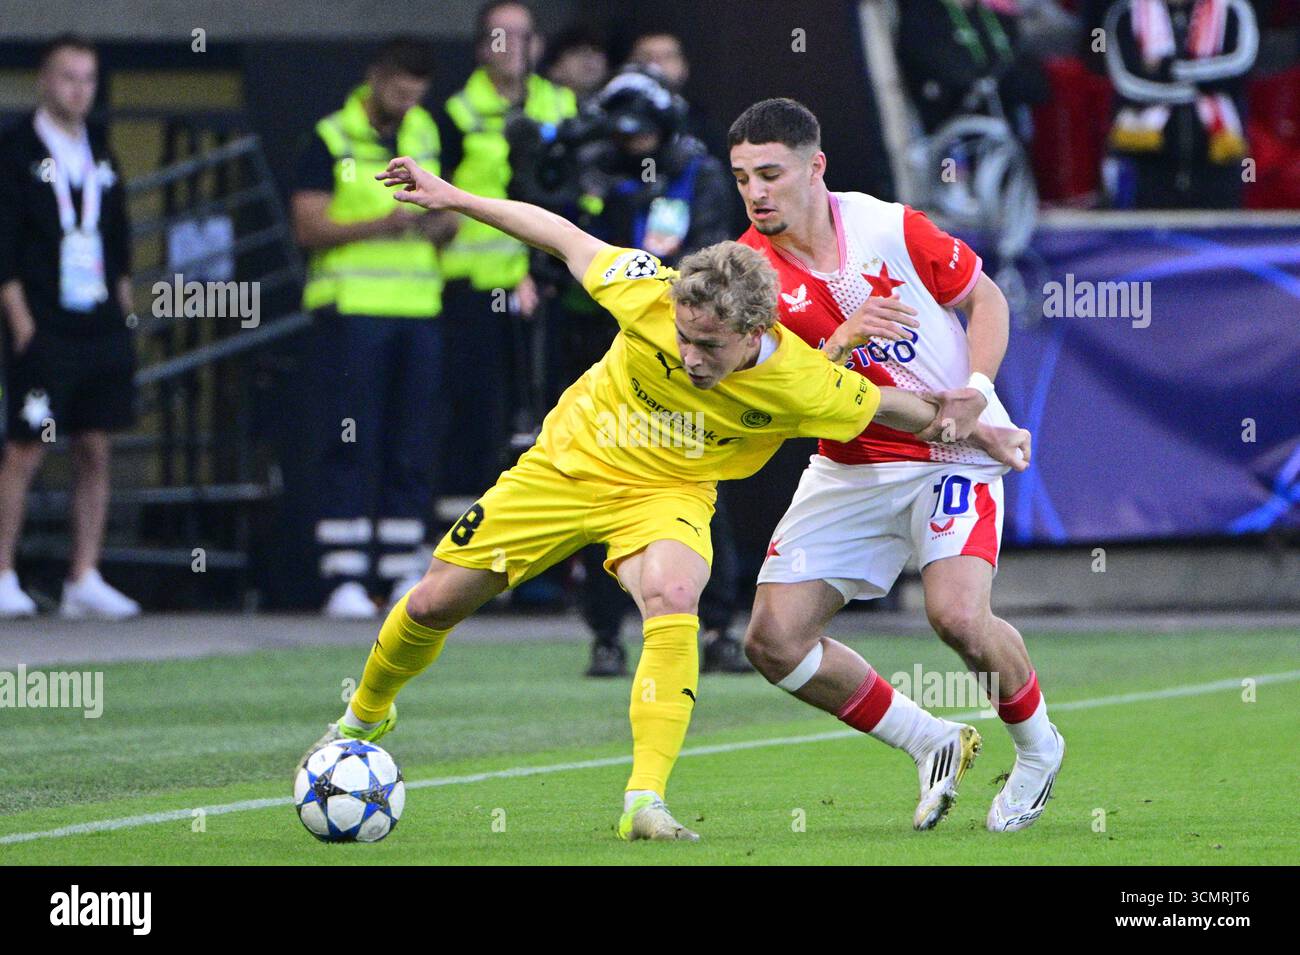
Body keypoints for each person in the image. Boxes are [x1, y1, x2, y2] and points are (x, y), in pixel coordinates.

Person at [302, 152, 1031, 842]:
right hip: (565, 466)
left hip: (669, 492)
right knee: (432, 603)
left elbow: (897, 407)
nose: (689, 356)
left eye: (709, 348)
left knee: (674, 592)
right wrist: (455, 196)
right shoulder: (645, 290)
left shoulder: (804, 378)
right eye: (683, 337)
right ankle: (363, 718)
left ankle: (644, 799)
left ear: (755, 333)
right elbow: (558, 233)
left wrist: (981, 428)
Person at [730, 98, 1063, 833]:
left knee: (956, 616)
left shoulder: (889, 226)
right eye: (743, 177)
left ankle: (1038, 749)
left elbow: (987, 299)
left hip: (953, 448)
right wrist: (836, 348)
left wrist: (976, 394)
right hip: (850, 464)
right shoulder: (749, 273)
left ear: (815, 167)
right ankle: (930, 738)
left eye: (771, 173)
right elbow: (779, 397)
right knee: (772, 640)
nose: (756, 192)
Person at [292, 39, 457, 619]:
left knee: (411, 440)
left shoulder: (426, 135)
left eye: (417, 94)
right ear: (375, 77)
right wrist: (382, 223)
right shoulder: (330, 136)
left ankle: (401, 568)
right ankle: (344, 576)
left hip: (419, 310)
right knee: (351, 439)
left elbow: (448, 219)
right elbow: (308, 226)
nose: (406, 103)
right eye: (398, 90)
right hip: (351, 310)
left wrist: (439, 223)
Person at [0, 34, 140, 620]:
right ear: (43, 81)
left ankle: (83, 574)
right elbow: (5, 241)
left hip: (99, 323)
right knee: (25, 449)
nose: (79, 89)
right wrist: (22, 321)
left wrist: (125, 312)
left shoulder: (100, 150)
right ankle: (3, 573)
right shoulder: (15, 149)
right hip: (44, 322)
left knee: (95, 448)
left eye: (88, 78)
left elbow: (118, 237)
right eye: (67, 77)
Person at [436, 1, 577, 492]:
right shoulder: (454, 113)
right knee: (478, 410)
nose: (511, 47)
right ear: (481, 47)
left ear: (537, 44)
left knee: (549, 407)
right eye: (499, 36)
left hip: (547, 279)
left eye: (522, 35)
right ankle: (461, 524)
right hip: (477, 286)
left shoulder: (562, 105)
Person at [1102, 0, 1259, 209]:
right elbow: (1126, 83)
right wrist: (1202, 85)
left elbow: (1241, 66)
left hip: (1217, 159)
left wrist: (1167, 70)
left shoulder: (1234, 9)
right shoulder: (1125, 12)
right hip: (1147, 161)